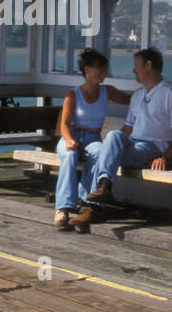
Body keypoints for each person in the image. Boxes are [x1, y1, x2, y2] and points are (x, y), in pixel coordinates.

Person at [77, 48, 172, 225]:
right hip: (132, 143)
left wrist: (165, 157)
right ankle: (103, 188)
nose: (133, 70)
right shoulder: (138, 95)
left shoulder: (170, 94)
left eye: (136, 66)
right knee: (112, 136)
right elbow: (127, 128)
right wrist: (111, 145)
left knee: (101, 154)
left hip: (152, 147)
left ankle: (92, 205)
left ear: (149, 65)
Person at [53, 48, 130, 230]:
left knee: (100, 154)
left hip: (92, 138)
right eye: (99, 69)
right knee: (70, 156)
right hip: (70, 135)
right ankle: (62, 208)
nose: (103, 74)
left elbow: (130, 99)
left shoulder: (107, 91)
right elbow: (64, 125)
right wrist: (70, 141)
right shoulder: (73, 95)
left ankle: (85, 199)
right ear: (87, 70)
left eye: (105, 69)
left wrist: (150, 92)